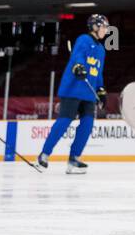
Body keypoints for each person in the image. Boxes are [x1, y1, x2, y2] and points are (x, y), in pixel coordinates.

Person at [37, 14, 108, 173]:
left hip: (89, 93)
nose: (105, 30)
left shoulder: (101, 50)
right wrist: (78, 67)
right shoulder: (84, 39)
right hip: (73, 89)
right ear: (95, 27)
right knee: (64, 122)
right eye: (103, 27)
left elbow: (98, 72)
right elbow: (78, 56)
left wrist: (101, 90)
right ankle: (44, 154)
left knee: (87, 125)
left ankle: (74, 159)